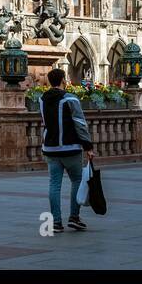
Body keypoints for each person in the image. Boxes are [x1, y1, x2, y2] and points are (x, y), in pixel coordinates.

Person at [40, 67, 94, 233]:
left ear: (49, 81)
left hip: (50, 147)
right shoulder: (70, 98)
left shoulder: (42, 99)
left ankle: (56, 222)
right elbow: (80, 123)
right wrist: (88, 146)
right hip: (70, 147)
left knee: (54, 184)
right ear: (64, 80)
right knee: (76, 180)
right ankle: (74, 217)